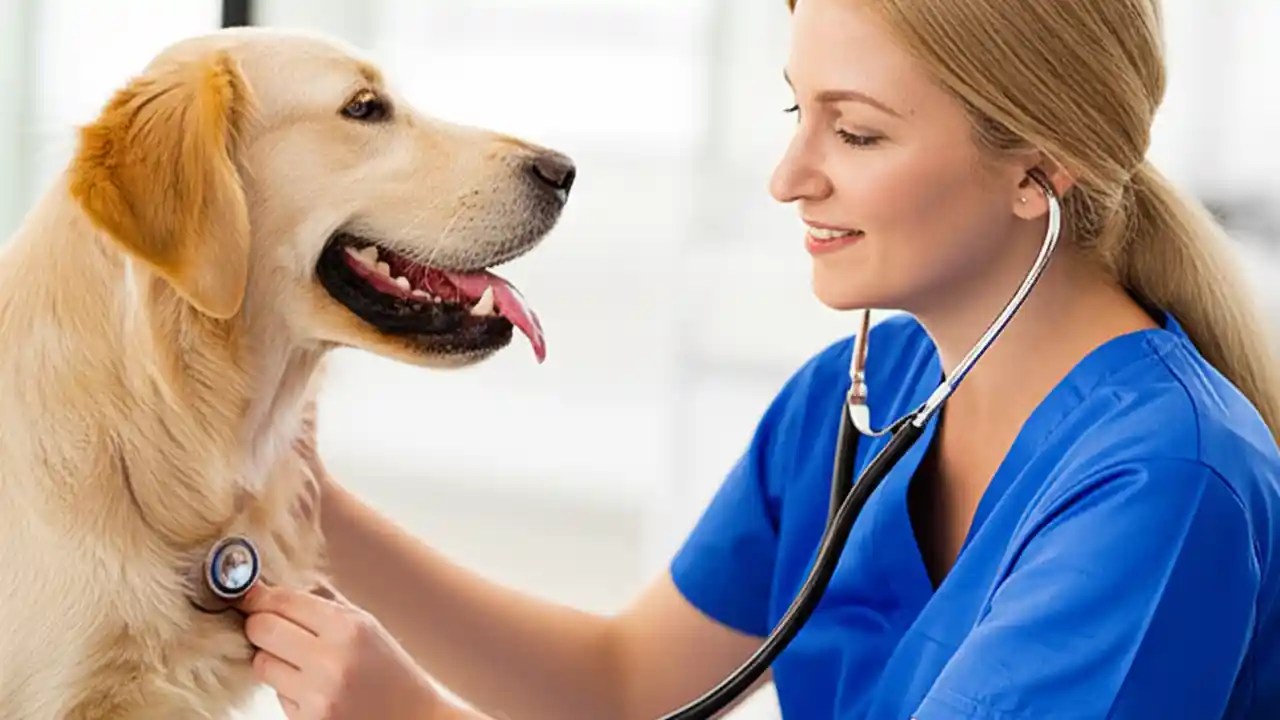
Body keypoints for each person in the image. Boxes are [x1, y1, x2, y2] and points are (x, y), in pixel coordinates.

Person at [234, 0, 1280, 718]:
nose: (788, 177)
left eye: (856, 134)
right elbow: (628, 686)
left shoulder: (1166, 486)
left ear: (1036, 170)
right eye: (797, 111)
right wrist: (310, 505)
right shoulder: (848, 401)